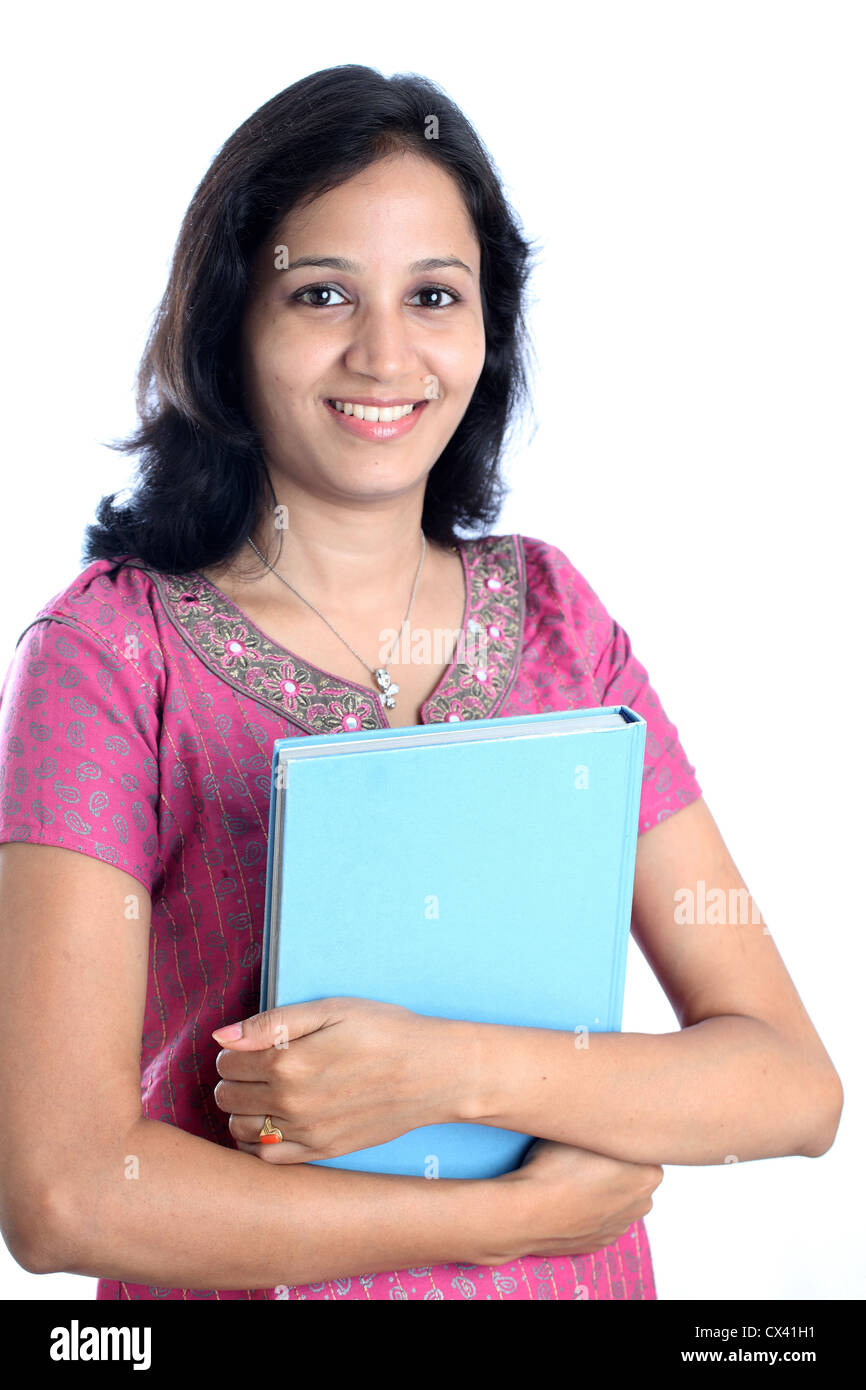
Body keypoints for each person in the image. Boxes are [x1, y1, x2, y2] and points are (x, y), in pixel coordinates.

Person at [0, 65, 842, 1302]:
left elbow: (787, 1084)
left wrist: (447, 1070)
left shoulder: (557, 617)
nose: (384, 354)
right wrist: (505, 1220)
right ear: (228, 321)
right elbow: (63, 1193)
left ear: (485, 328)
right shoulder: (115, 653)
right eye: (321, 292)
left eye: (433, 295)